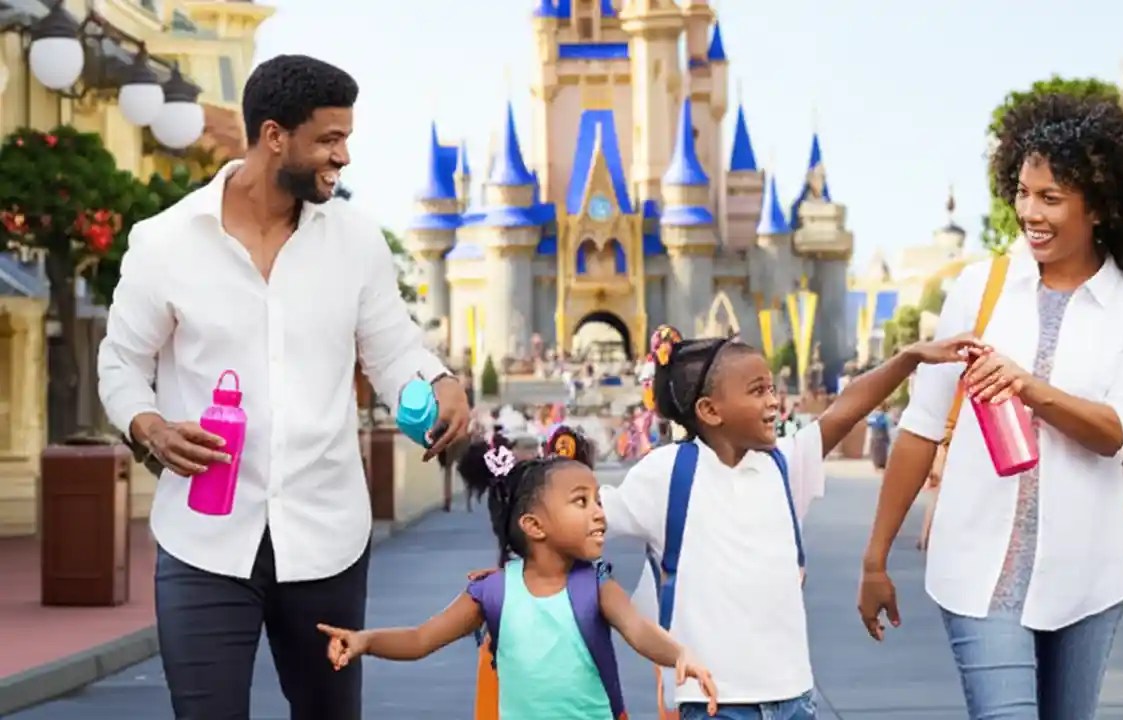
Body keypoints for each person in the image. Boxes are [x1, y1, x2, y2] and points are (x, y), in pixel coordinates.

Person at [96, 55, 470, 719]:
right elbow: (120, 363)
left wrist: (439, 381)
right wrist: (149, 426)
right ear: (275, 136)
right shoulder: (164, 243)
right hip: (203, 540)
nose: (344, 156)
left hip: (326, 537)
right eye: (329, 139)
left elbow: (392, 351)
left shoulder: (355, 241)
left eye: (346, 138)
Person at [857, 92, 1123, 720]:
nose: (1029, 212)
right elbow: (921, 428)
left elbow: (1120, 433)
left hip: (1088, 577)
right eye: (1023, 193)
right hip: (977, 572)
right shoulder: (981, 287)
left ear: (1102, 207)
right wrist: (875, 558)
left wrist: (1031, 388)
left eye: (1050, 198)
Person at [602, 325, 978, 719]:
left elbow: (847, 408)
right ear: (711, 411)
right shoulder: (666, 474)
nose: (774, 402)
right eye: (757, 390)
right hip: (714, 701)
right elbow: (589, 519)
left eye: (771, 388)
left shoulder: (784, 463)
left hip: (794, 698)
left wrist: (908, 359)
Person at [316, 445, 719, 719]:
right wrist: (366, 641)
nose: (599, 513)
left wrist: (677, 653)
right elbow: (422, 639)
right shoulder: (492, 592)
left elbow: (638, 630)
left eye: (598, 500)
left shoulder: (596, 584)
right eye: (582, 502)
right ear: (533, 526)